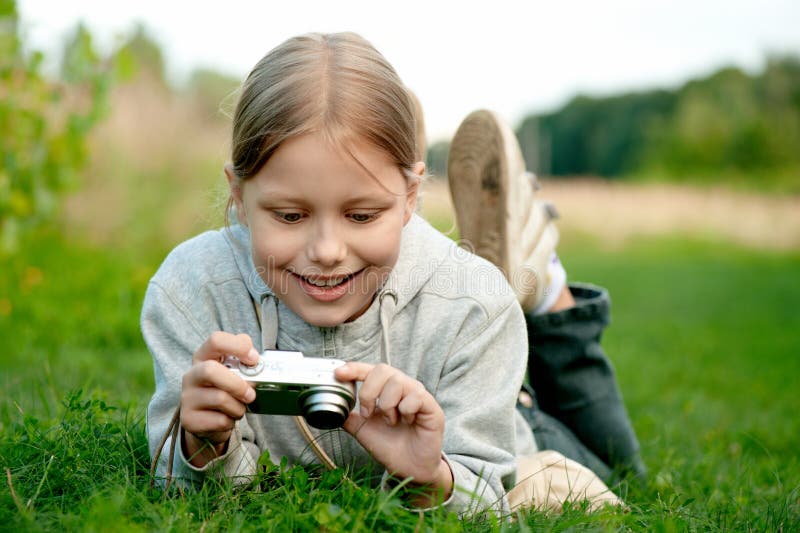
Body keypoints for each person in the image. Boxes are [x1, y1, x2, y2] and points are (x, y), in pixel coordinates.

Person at [143, 32, 628, 515]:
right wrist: (202, 446)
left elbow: (485, 489)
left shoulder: (475, 309)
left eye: (361, 215)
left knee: (616, 468)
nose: (327, 252)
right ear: (239, 194)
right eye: (290, 216)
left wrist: (433, 479)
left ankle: (546, 289)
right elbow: (186, 485)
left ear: (411, 197)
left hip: (487, 408)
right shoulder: (193, 290)